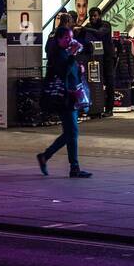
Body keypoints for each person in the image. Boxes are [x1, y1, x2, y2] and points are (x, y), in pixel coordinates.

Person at [36, 26, 92, 178]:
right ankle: (50, 157)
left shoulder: (65, 52)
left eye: (70, 37)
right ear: (59, 39)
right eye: (66, 38)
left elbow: (71, 69)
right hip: (63, 97)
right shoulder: (56, 54)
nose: (69, 40)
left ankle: (71, 166)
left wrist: (79, 68)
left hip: (71, 96)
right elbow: (64, 72)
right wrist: (73, 55)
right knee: (72, 132)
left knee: (71, 133)